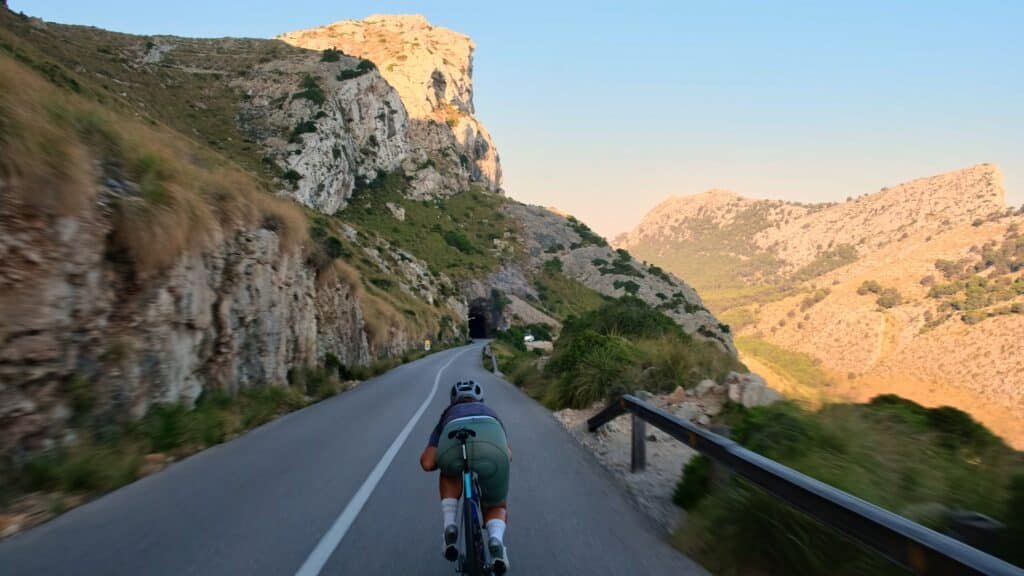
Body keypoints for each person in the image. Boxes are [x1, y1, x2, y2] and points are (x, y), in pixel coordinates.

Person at [420, 380, 511, 571]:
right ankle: (495, 538)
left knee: (448, 472)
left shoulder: (448, 415)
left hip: (453, 442)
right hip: (492, 448)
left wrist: (441, 463)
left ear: (453, 400)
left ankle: (449, 524)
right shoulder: (491, 413)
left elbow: (427, 462)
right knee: (496, 504)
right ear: (480, 398)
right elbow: (508, 454)